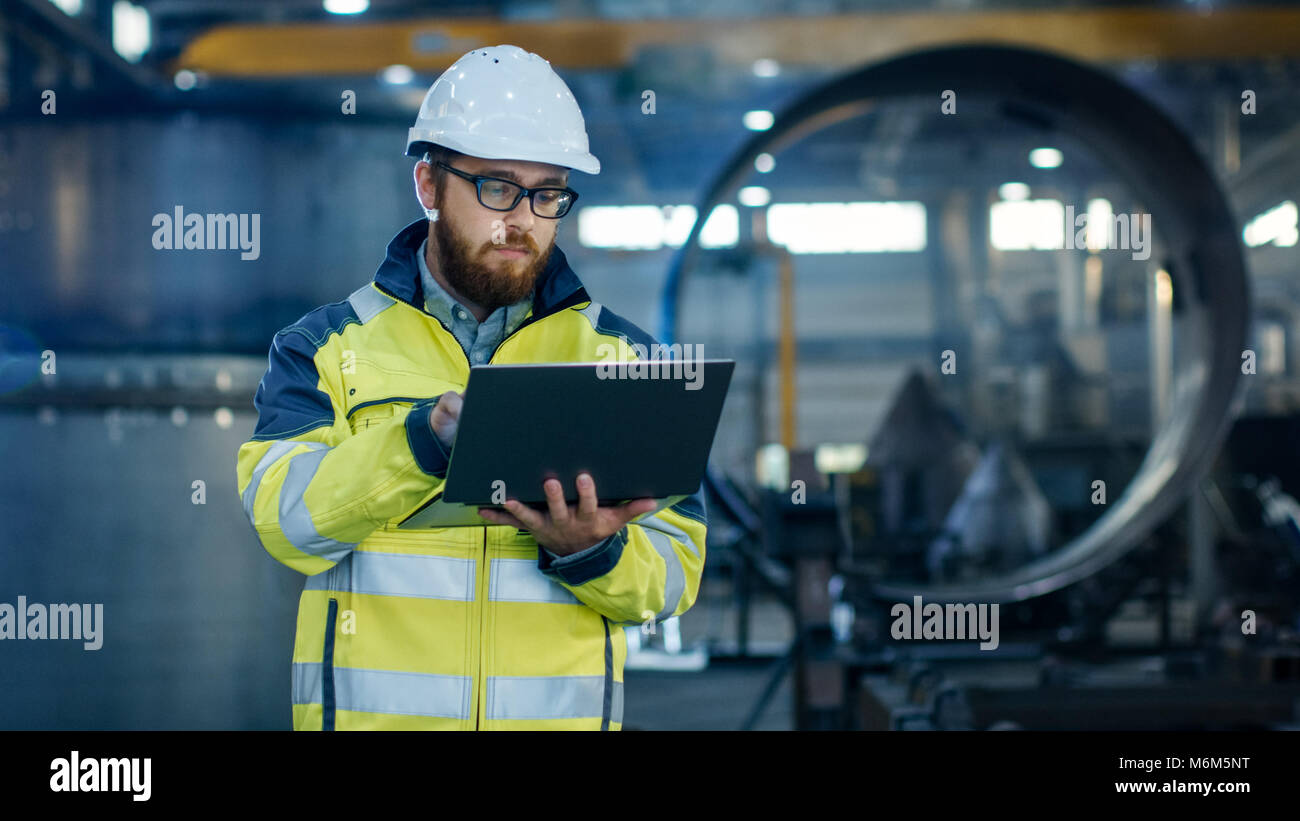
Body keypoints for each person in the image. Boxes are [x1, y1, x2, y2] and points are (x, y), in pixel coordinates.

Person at [235, 44, 707, 730]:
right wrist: (419, 444)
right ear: (428, 185)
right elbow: (286, 525)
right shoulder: (324, 348)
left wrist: (593, 551)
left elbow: (674, 576)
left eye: (547, 194)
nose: (522, 219)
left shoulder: (624, 359)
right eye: (497, 187)